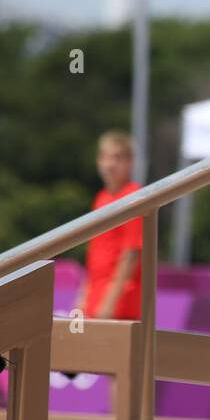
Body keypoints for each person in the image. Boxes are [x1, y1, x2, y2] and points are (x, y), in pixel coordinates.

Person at [75, 131, 144, 320]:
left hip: (121, 301)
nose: (109, 164)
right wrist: (83, 295)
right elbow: (95, 251)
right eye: (105, 157)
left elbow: (131, 254)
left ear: (130, 162)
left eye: (117, 158)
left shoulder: (134, 196)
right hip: (96, 295)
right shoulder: (101, 198)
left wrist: (110, 303)